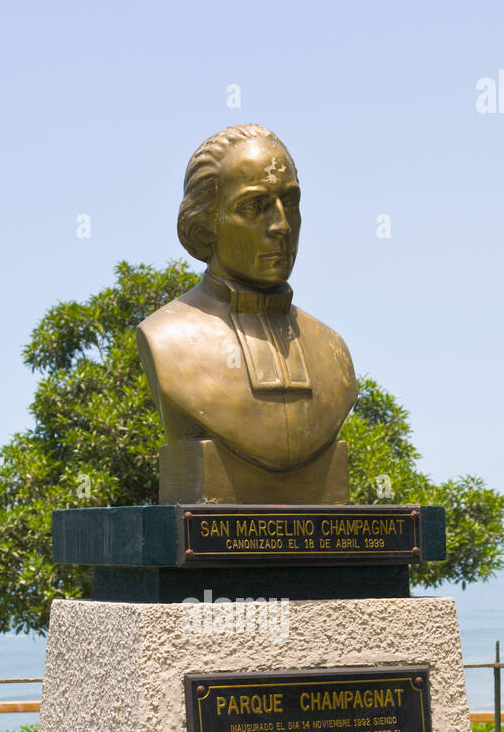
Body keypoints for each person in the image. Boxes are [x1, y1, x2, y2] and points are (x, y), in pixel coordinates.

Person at [137, 125, 356, 503]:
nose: (282, 227)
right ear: (205, 224)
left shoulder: (332, 350)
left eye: (289, 202)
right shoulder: (167, 338)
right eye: (254, 207)